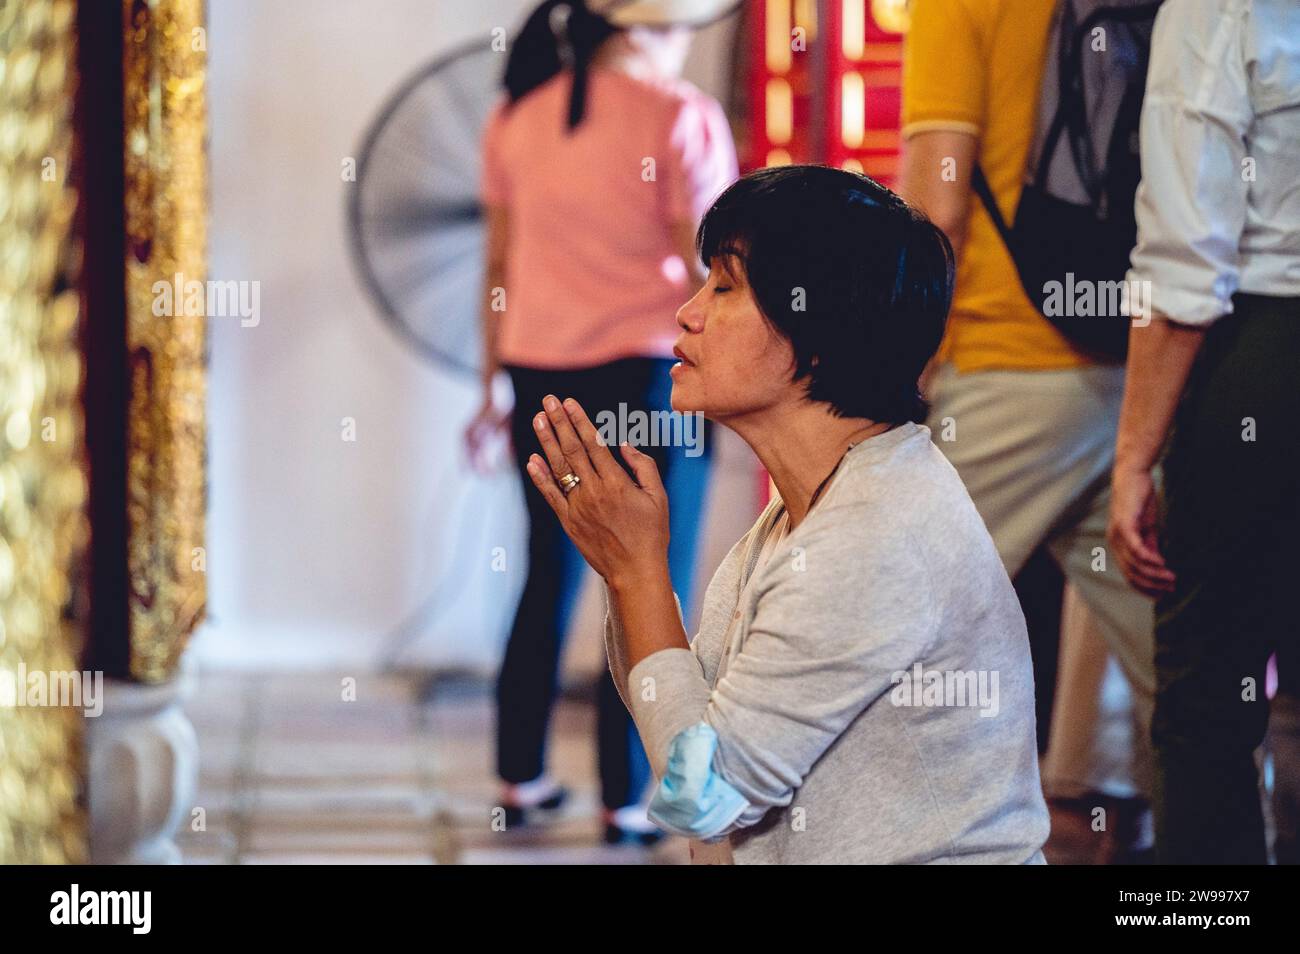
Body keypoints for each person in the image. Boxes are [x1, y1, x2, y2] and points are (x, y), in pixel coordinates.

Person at [520, 165, 1050, 863]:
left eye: (726, 286)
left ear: (819, 328)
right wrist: (628, 570)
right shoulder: (809, 510)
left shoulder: (870, 538)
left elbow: (701, 793)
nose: (689, 312)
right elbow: (696, 721)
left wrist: (637, 572)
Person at [468, 0, 738, 844]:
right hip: (649, 378)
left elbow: (500, 267)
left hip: (536, 374)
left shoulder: (516, 119)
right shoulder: (680, 117)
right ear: (649, 25)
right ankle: (632, 795)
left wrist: (490, 387)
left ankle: (519, 775)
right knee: (652, 580)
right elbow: (721, 268)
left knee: (546, 572)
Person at [897, 0, 1156, 859]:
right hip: (1138, 363)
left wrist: (893, 366)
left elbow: (936, 205)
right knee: (1178, 667)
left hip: (1009, 364)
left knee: (886, 620)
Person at [1106, 0, 1300, 864]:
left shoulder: (1216, 9)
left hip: (1263, 350)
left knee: (1209, 705)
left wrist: (1133, 460)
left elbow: (1187, 259)